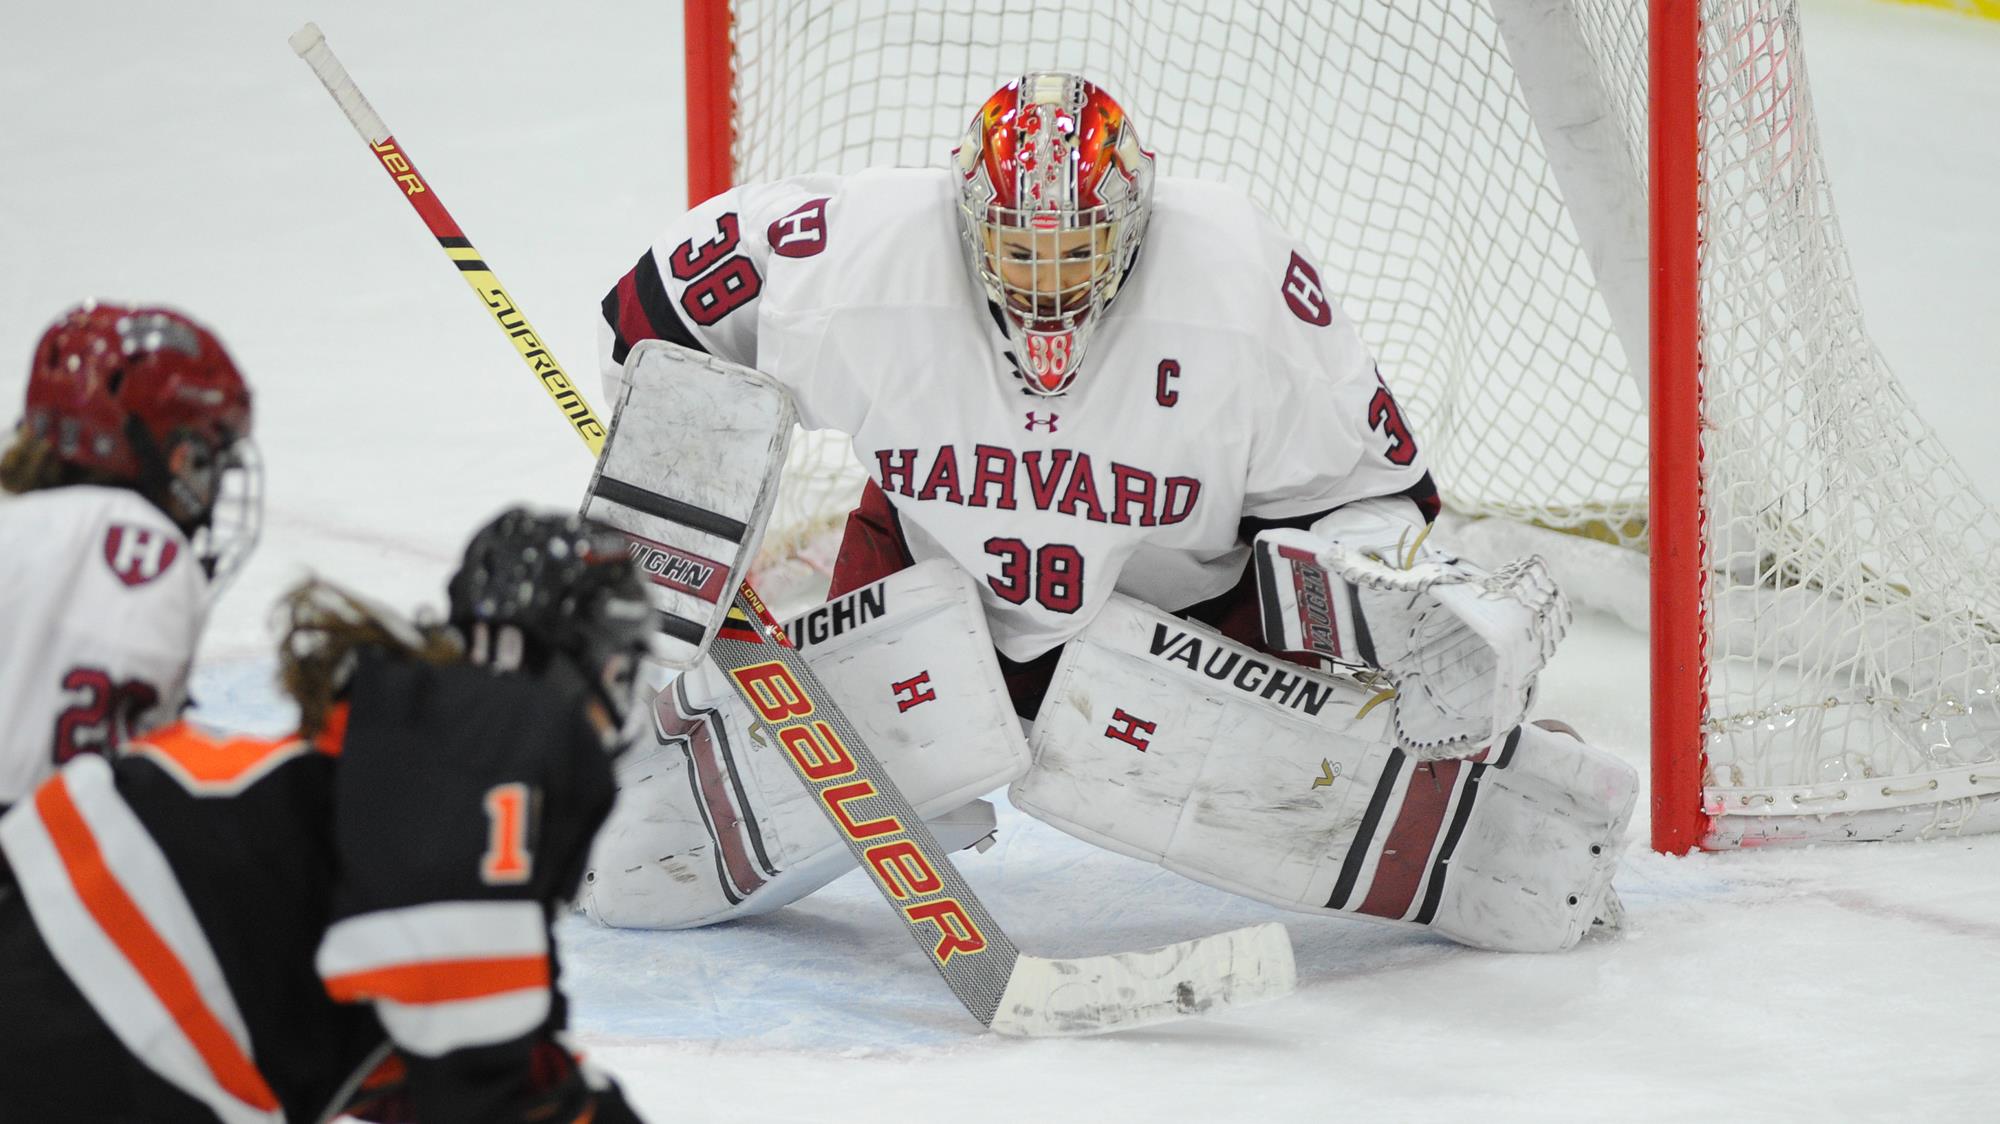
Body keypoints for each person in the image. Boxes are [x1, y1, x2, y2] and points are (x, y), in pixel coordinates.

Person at [586, 73, 1636, 953]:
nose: (1045, 286)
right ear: (962, 223)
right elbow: (653, 318)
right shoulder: (853, 255)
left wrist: (1390, 595)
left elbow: (1368, 489)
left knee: (1529, 854)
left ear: (1134, 224)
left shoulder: (1239, 283)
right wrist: (681, 519)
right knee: (631, 849)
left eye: (1076, 251)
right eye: (1017, 250)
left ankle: (1468, 778)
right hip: (920, 589)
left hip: (1186, 617)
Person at [0, 509, 655, 1123]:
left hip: (67, 930)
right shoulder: (494, 734)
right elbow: (474, 1069)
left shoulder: (432, 737)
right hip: (105, 988)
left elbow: (430, 1039)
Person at [0, 302, 258, 813]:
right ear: (145, 440)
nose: (208, 483)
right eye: (202, 456)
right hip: (67, 859)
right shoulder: (155, 555)